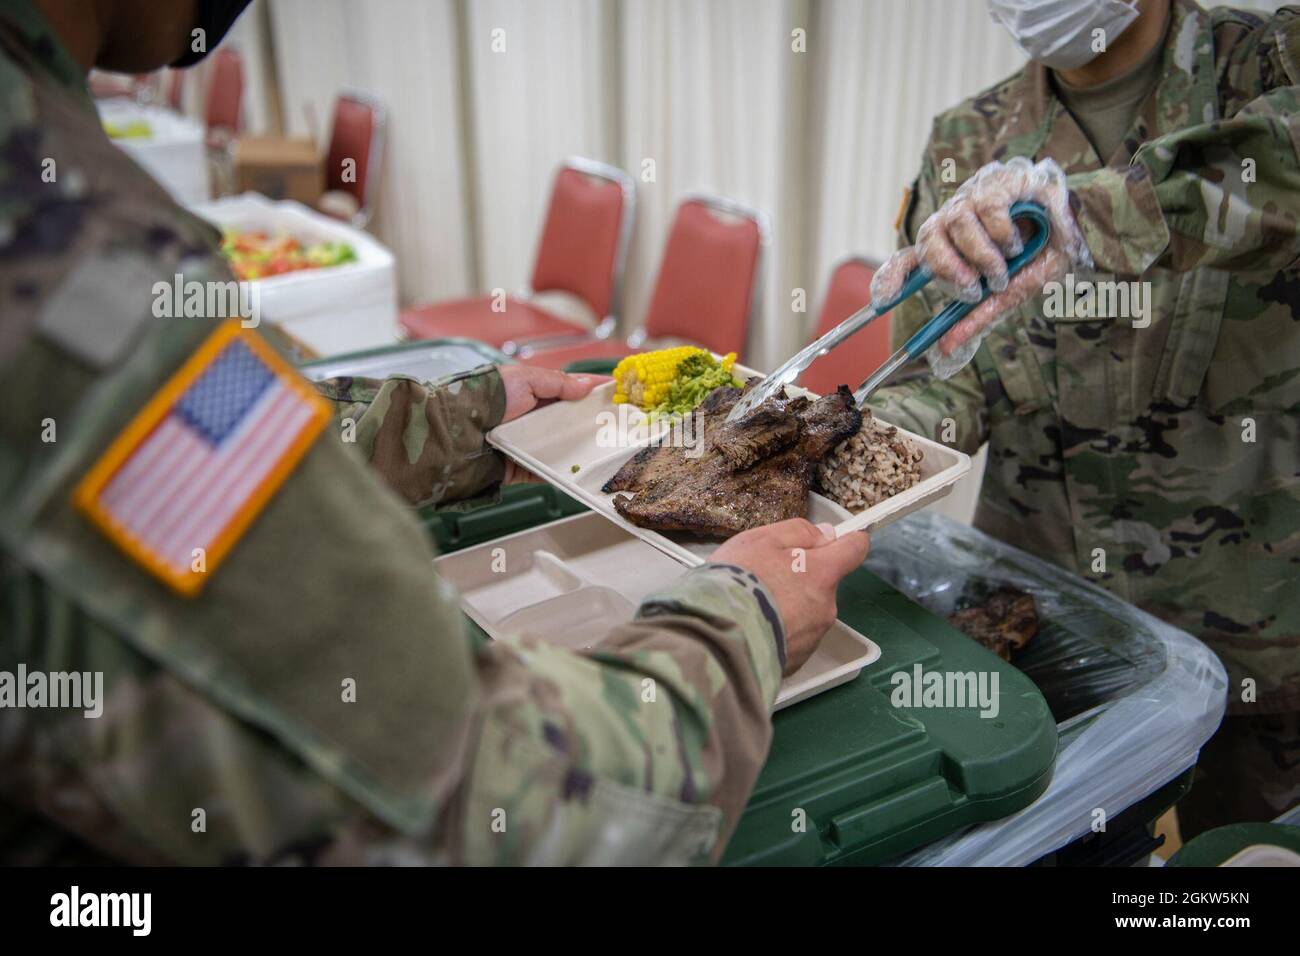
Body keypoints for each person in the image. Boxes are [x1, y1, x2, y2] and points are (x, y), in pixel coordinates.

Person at [0, 0, 870, 865]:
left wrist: (459, 424)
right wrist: (743, 620)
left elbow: (201, 439)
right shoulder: (75, 261)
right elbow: (491, 808)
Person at [867, 0, 1299, 837]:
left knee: (1227, 875)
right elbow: (946, 380)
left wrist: (1085, 215)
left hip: (1256, 643)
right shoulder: (970, 142)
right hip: (1043, 628)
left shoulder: (1265, 69)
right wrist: (852, 454)